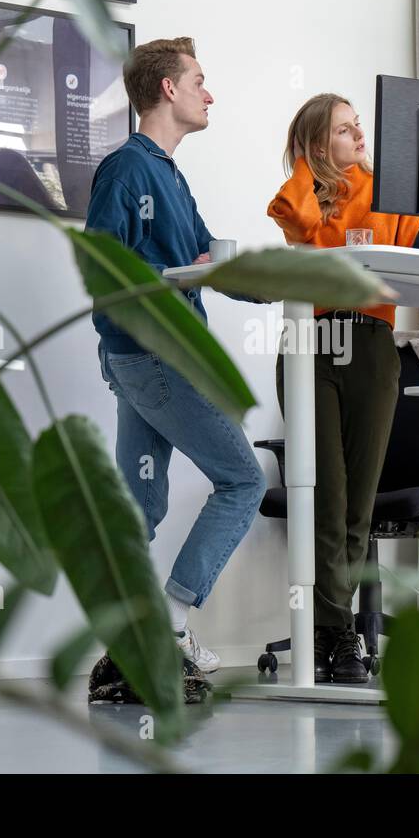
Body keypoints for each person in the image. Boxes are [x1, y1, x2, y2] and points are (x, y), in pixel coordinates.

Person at [86, 37, 265, 674]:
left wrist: (266, 280)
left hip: (143, 359)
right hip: (153, 357)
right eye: (200, 81)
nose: (208, 93)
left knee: (141, 505)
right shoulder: (128, 169)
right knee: (244, 480)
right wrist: (175, 279)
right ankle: (172, 620)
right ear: (169, 88)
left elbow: (200, 262)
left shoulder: (168, 173)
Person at [267, 93, 419, 682]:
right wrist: (311, 163)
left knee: (358, 507)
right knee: (326, 502)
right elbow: (299, 219)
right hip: (311, 346)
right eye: (343, 130)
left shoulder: (387, 193)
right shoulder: (305, 197)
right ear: (315, 146)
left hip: (373, 348)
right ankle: (335, 636)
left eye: (359, 126)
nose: (360, 136)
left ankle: (337, 635)